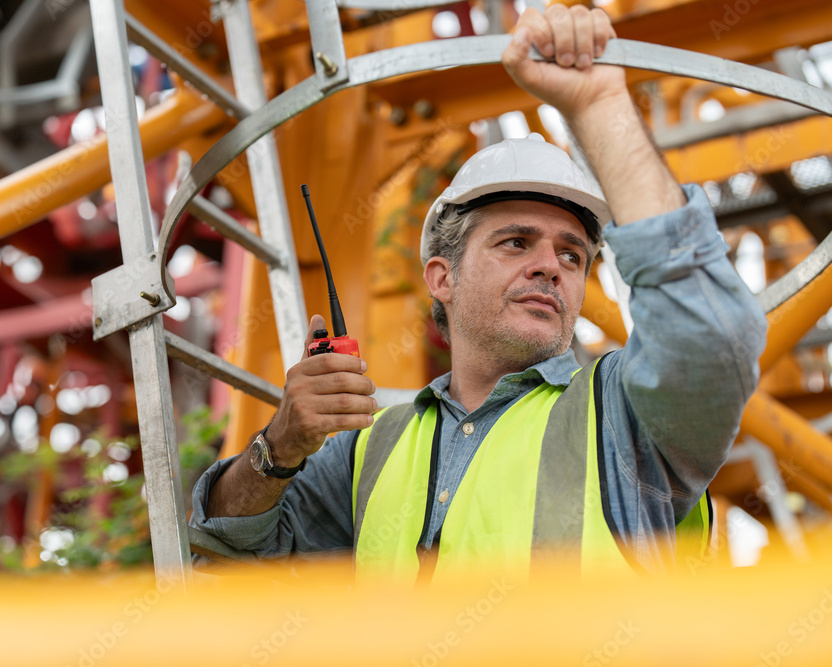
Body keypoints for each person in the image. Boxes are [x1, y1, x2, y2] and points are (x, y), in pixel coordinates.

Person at [189, 7, 767, 581]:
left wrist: (600, 109)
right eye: (516, 243)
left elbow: (709, 342)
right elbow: (227, 550)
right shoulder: (371, 451)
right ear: (442, 278)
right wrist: (281, 445)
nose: (551, 268)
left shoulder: (621, 414)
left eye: (572, 255)